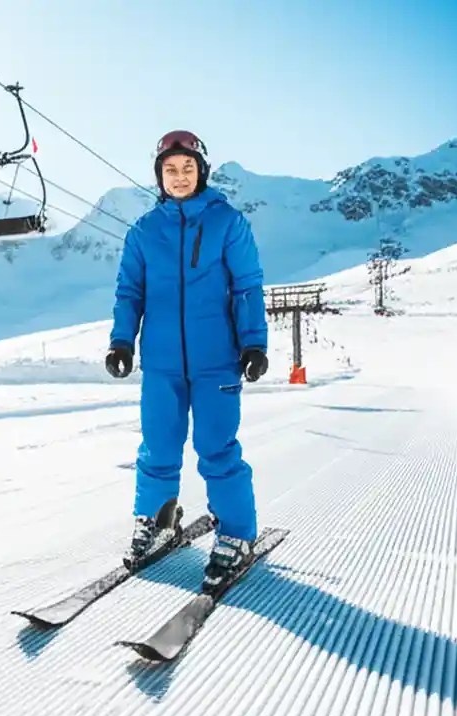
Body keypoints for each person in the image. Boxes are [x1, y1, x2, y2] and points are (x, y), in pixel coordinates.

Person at [104, 129, 269, 593]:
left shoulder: (227, 223)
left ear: (202, 172)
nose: (179, 177)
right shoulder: (144, 231)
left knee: (217, 450)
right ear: (160, 176)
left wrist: (254, 343)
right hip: (161, 364)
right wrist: (122, 341)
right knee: (157, 448)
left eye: (187, 168)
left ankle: (237, 534)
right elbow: (129, 291)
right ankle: (159, 520)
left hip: (217, 360)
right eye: (170, 170)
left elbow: (247, 286)